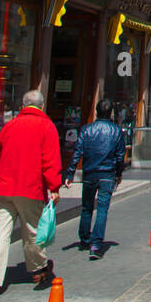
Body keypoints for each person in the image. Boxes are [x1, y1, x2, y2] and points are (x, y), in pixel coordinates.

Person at [0, 88, 61, 295]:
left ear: (22, 106)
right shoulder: (46, 126)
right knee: (32, 231)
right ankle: (38, 269)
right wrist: (54, 187)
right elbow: (50, 160)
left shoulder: (9, 126)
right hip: (29, 188)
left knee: (1, 235)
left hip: (3, 188)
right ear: (42, 106)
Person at [63, 98, 125, 258]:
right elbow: (120, 155)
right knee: (102, 208)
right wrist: (119, 173)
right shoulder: (116, 130)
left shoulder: (86, 130)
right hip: (107, 173)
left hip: (90, 172)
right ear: (110, 112)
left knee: (87, 207)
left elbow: (77, 152)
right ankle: (96, 244)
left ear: (97, 111)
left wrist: (70, 173)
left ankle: (84, 239)